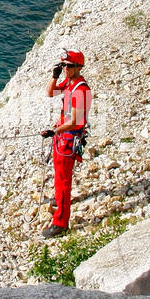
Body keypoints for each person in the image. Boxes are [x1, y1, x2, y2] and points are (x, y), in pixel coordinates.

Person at [41, 48, 91, 237]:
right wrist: (54, 76)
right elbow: (50, 92)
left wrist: (56, 130)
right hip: (62, 138)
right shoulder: (70, 83)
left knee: (63, 180)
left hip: (68, 140)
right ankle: (59, 198)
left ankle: (61, 223)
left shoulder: (82, 90)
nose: (65, 69)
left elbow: (76, 121)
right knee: (59, 175)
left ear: (78, 67)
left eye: (68, 66)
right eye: (63, 66)